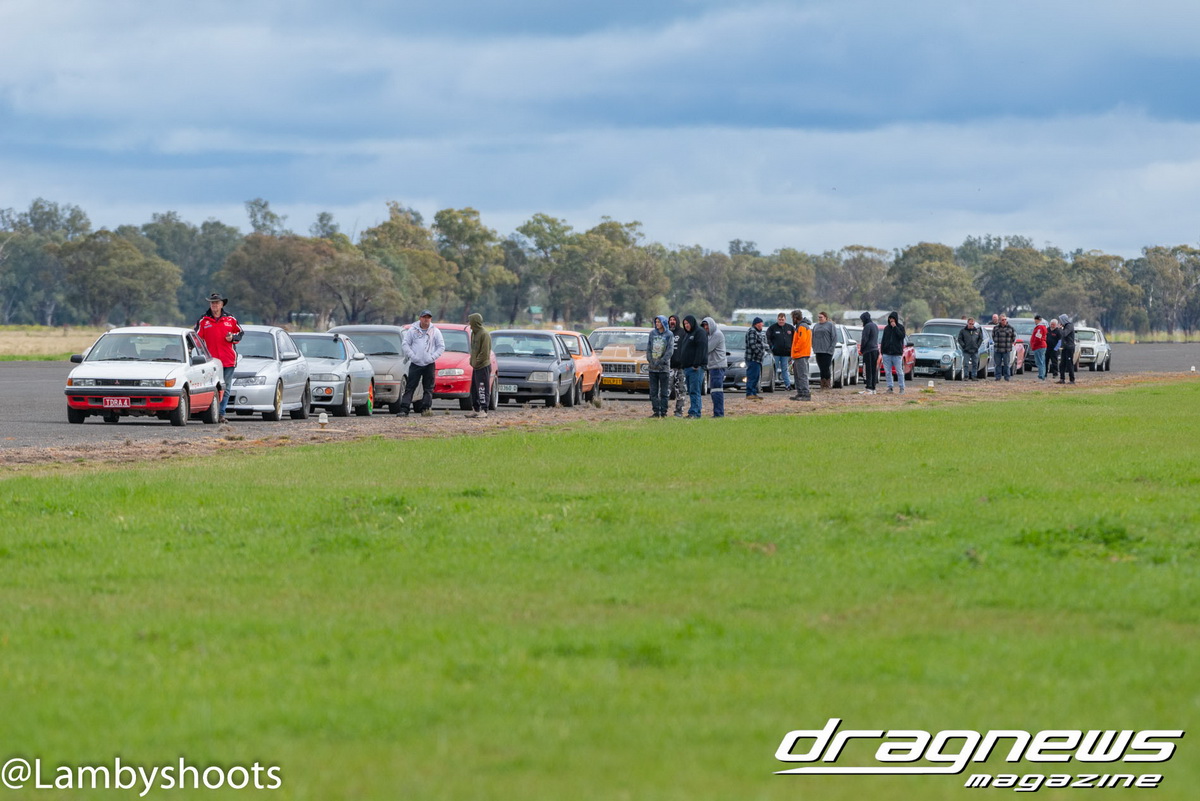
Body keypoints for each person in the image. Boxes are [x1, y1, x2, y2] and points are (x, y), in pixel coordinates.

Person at [193, 292, 242, 423]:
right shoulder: (204, 320)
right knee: (213, 388)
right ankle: (210, 413)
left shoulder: (230, 319)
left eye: (217, 302)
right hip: (211, 361)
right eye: (212, 302)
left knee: (225, 388)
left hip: (228, 360)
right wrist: (191, 349)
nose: (214, 305)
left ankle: (221, 414)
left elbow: (240, 332)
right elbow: (196, 338)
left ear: (222, 304)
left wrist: (232, 338)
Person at [398, 309, 445, 416]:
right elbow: (405, 344)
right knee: (410, 387)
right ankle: (404, 409)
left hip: (429, 364)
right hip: (415, 363)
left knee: (428, 388)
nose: (426, 320)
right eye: (424, 317)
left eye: (428, 317)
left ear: (430, 319)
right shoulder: (412, 330)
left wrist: (432, 357)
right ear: (420, 318)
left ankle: (425, 409)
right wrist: (413, 356)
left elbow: (441, 347)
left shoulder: (435, 331)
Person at [679, 315, 707, 418]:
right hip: (687, 367)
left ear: (692, 323)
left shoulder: (700, 332)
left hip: (696, 368)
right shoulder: (687, 334)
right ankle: (693, 412)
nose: (686, 325)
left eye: (688, 323)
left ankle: (695, 413)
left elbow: (701, 349)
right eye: (685, 324)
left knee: (695, 391)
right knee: (691, 391)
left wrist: (696, 364)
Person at [646, 315, 674, 418]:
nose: (657, 324)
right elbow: (649, 348)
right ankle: (656, 411)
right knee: (653, 391)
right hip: (652, 368)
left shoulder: (669, 334)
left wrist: (661, 361)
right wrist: (650, 360)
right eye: (656, 322)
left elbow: (670, 350)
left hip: (664, 368)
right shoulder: (652, 333)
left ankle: (664, 411)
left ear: (663, 323)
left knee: (664, 392)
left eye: (659, 322)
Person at [464, 313, 491, 418]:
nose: (469, 323)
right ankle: (475, 409)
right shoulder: (474, 333)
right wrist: (472, 361)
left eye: (470, 321)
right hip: (476, 367)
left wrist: (476, 362)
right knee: (474, 389)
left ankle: (484, 410)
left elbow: (484, 353)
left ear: (475, 322)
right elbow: (473, 350)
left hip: (483, 366)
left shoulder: (484, 334)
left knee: (482, 389)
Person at [702, 316, 726, 417]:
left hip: (718, 367)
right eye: (704, 325)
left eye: (707, 325)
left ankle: (719, 413)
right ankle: (717, 413)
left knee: (717, 391)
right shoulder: (709, 335)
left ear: (711, 324)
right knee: (713, 391)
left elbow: (706, 348)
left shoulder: (717, 335)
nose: (705, 327)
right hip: (713, 366)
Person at [766, 312, 795, 391]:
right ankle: (772, 384)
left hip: (786, 353)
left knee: (784, 369)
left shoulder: (790, 328)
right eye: (779, 319)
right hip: (775, 353)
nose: (781, 321)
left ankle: (787, 385)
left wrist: (792, 348)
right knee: (773, 369)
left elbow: (795, 339)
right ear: (777, 319)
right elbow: (768, 337)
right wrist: (772, 346)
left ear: (785, 319)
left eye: (782, 319)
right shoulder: (772, 328)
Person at [880, 311, 906, 394]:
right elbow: (883, 340)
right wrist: (882, 351)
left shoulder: (901, 327)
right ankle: (890, 387)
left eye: (893, 319)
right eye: (890, 319)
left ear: (896, 319)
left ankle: (902, 388)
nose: (891, 320)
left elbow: (901, 336)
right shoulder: (886, 328)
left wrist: (895, 328)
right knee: (887, 372)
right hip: (886, 354)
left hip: (896, 354)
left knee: (899, 372)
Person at [790, 310, 812, 401]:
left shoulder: (802, 327)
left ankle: (805, 394)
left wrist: (795, 350)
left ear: (795, 317)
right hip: (800, 354)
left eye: (792, 318)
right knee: (798, 375)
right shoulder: (801, 326)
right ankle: (800, 393)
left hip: (801, 354)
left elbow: (801, 341)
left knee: (802, 375)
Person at [812, 311, 837, 390]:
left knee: (826, 368)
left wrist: (831, 349)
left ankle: (827, 384)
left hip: (827, 351)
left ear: (825, 317)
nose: (820, 319)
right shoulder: (816, 326)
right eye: (818, 317)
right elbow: (813, 337)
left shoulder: (830, 325)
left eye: (821, 317)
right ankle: (822, 384)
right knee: (821, 368)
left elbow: (834, 338)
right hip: (818, 350)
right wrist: (814, 347)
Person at [744, 317, 767, 401]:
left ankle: (753, 393)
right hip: (753, 358)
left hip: (757, 360)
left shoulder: (757, 332)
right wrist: (760, 353)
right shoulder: (752, 332)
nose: (762, 325)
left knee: (756, 377)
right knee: (752, 376)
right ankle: (749, 393)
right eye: (761, 323)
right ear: (757, 324)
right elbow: (752, 345)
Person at [668, 314, 686, 417]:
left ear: (677, 321)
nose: (672, 321)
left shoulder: (683, 333)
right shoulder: (666, 333)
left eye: (674, 320)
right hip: (668, 367)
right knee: (666, 390)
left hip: (680, 368)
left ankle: (679, 411)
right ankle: (663, 410)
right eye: (670, 320)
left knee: (681, 390)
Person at [857, 312, 879, 395]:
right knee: (874, 370)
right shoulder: (875, 326)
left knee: (867, 370)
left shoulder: (867, 326)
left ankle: (868, 387)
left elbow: (864, 339)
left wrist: (862, 349)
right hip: (875, 350)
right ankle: (873, 388)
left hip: (868, 351)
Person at [992, 314, 1016, 381]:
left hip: (1006, 349)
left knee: (1006, 364)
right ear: (999, 320)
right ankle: (998, 377)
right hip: (998, 349)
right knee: (997, 364)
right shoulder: (996, 328)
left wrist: (1009, 343)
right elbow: (993, 337)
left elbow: (1013, 338)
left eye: (1005, 319)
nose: (1004, 321)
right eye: (1003, 320)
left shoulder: (1010, 328)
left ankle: (1007, 377)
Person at [1057, 314, 1076, 384]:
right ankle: (1062, 379)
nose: (1059, 322)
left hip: (1069, 348)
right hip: (1065, 347)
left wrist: (1059, 328)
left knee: (1069, 364)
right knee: (1062, 364)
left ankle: (1072, 379)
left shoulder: (1069, 326)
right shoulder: (1065, 326)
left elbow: (1064, 334)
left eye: (1060, 320)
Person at [1030, 314, 1048, 380]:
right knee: (1042, 361)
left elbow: (1038, 337)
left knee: (1039, 362)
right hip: (1041, 346)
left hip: (1039, 346)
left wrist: (1033, 345)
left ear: (1037, 320)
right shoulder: (1043, 327)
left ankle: (1041, 375)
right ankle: (1042, 374)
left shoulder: (1039, 327)